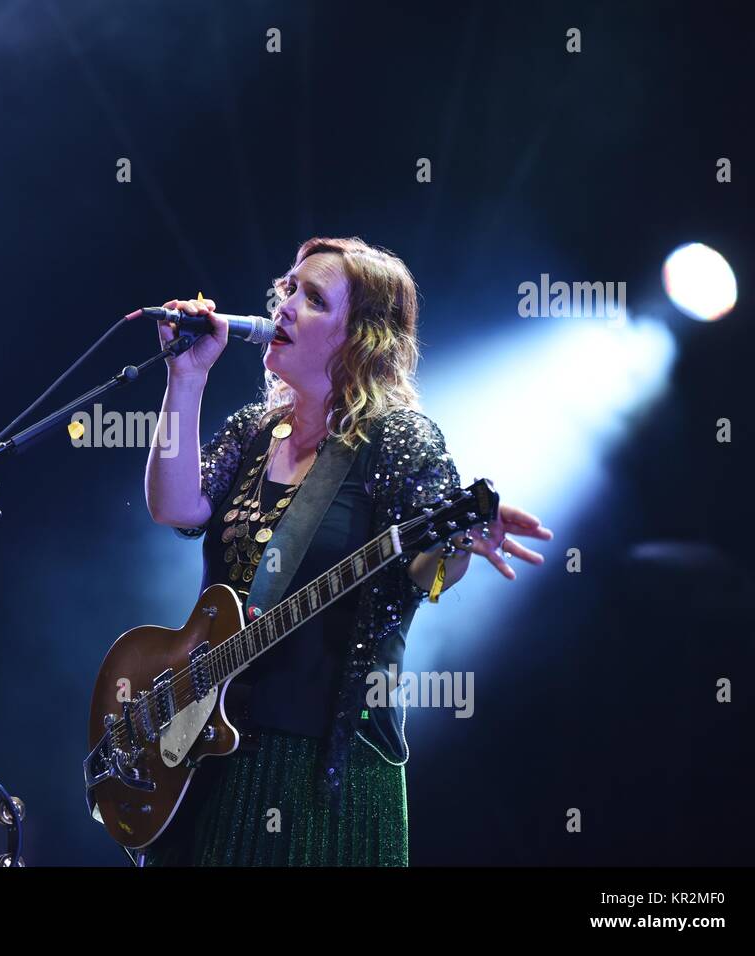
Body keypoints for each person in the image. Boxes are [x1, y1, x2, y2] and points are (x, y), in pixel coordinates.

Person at [139, 236, 552, 866]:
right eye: (287, 288)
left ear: (360, 338)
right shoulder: (256, 430)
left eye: (312, 298)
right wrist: (185, 376)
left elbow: (427, 570)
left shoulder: (397, 438)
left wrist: (457, 543)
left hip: (319, 767)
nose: (283, 305)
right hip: (212, 749)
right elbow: (174, 507)